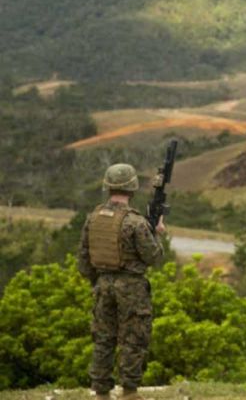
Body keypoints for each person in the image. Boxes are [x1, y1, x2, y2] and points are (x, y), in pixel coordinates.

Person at [77, 163, 165, 400]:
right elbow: (154, 257)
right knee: (133, 338)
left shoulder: (93, 218)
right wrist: (157, 233)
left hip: (102, 285)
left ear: (108, 187)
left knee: (103, 338)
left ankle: (101, 392)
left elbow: (83, 261)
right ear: (132, 188)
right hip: (132, 288)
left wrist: (99, 281)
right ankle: (129, 391)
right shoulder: (135, 222)